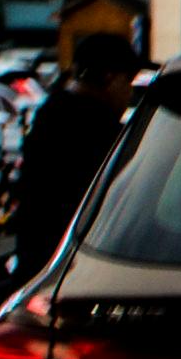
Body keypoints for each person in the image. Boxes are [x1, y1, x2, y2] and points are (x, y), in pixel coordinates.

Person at [11, 34, 145, 277]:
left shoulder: (50, 114)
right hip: (81, 266)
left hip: (38, 263)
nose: (129, 93)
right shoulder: (99, 129)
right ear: (110, 78)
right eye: (128, 82)